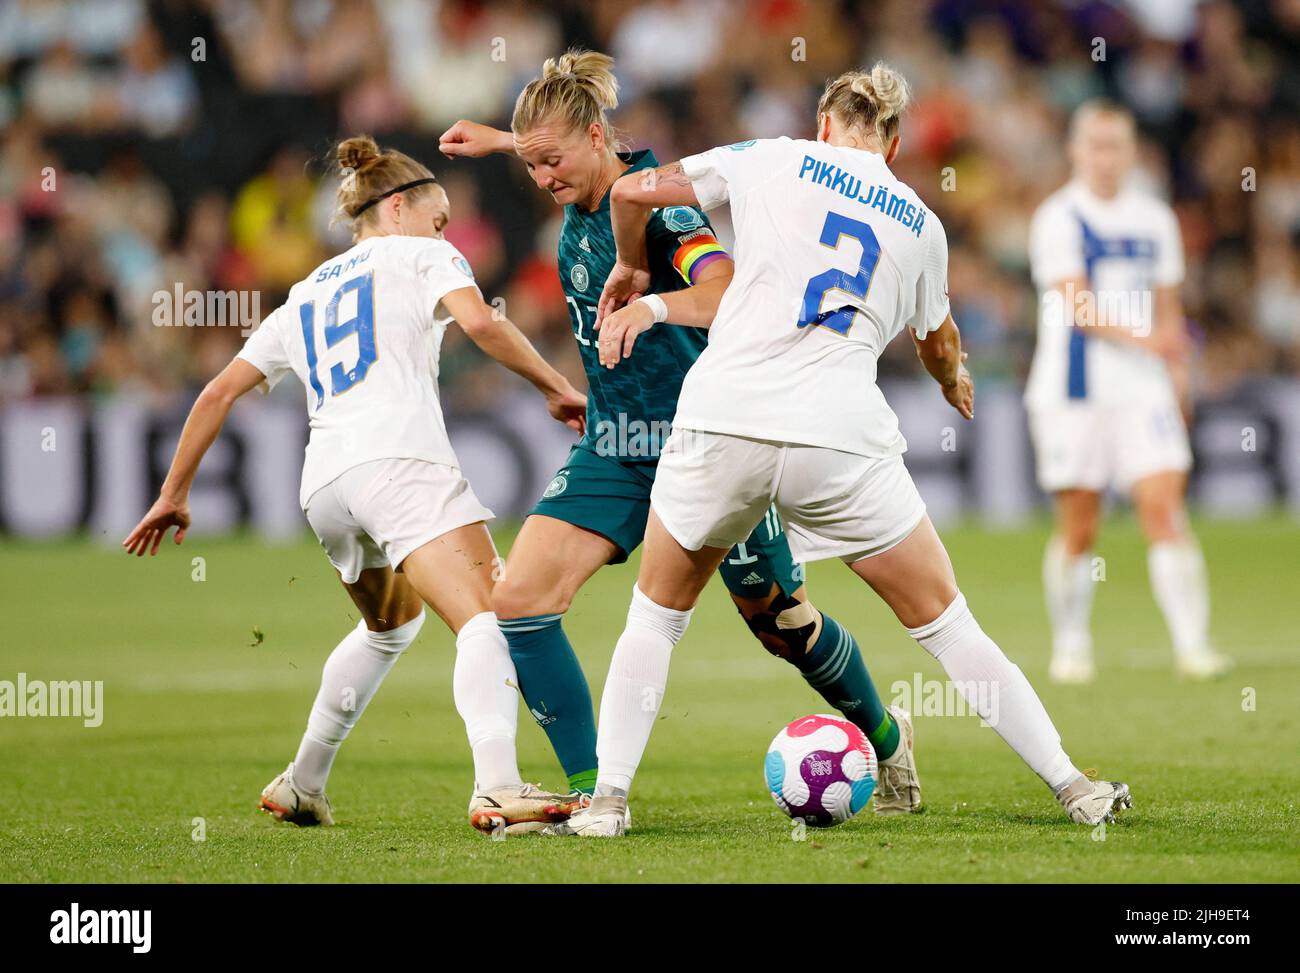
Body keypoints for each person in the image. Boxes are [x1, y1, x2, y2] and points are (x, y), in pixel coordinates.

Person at [564, 64, 1131, 837]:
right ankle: (1075, 788)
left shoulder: (773, 155)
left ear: (824, 125)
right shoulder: (921, 223)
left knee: (657, 615)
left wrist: (632, 266)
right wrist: (952, 380)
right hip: (838, 434)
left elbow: (631, 191)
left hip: (726, 416)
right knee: (948, 624)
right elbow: (938, 340)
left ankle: (608, 802)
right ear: (891, 144)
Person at [438, 49, 921, 816]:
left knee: (781, 624)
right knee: (521, 600)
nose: (542, 179)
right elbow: (564, 149)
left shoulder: (662, 209)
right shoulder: (582, 180)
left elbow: (723, 289)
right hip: (615, 442)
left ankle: (888, 740)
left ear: (597, 137)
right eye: (530, 164)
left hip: (710, 439)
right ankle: (591, 793)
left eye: (551, 162)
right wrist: (506, 141)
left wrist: (651, 307)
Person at [124, 136, 588, 834]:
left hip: (327, 484)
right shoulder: (422, 255)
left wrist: (172, 491)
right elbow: (481, 322)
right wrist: (554, 385)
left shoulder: (304, 292)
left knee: (390, 625)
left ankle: (302, 781)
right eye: (439, 219)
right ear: (398, 207)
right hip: (399, 461)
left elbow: (218, 391)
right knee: (488, 615)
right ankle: (496, 786)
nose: (445, 234)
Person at [1026, 100, 1229, 684]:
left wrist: (1177, 374)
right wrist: (1151, 342)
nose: (1106, 157)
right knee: (1080, 524)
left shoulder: (1155, 219)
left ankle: (1193, 645)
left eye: (1115, 145)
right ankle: (1071, 644)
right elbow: (1078, 305)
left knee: (1164, 506)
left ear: (1131, 151)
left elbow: (1169, 307)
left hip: (1143, 390)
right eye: (1095, 144)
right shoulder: (1059, 217)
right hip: (1073, 392)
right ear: (1075, 149)